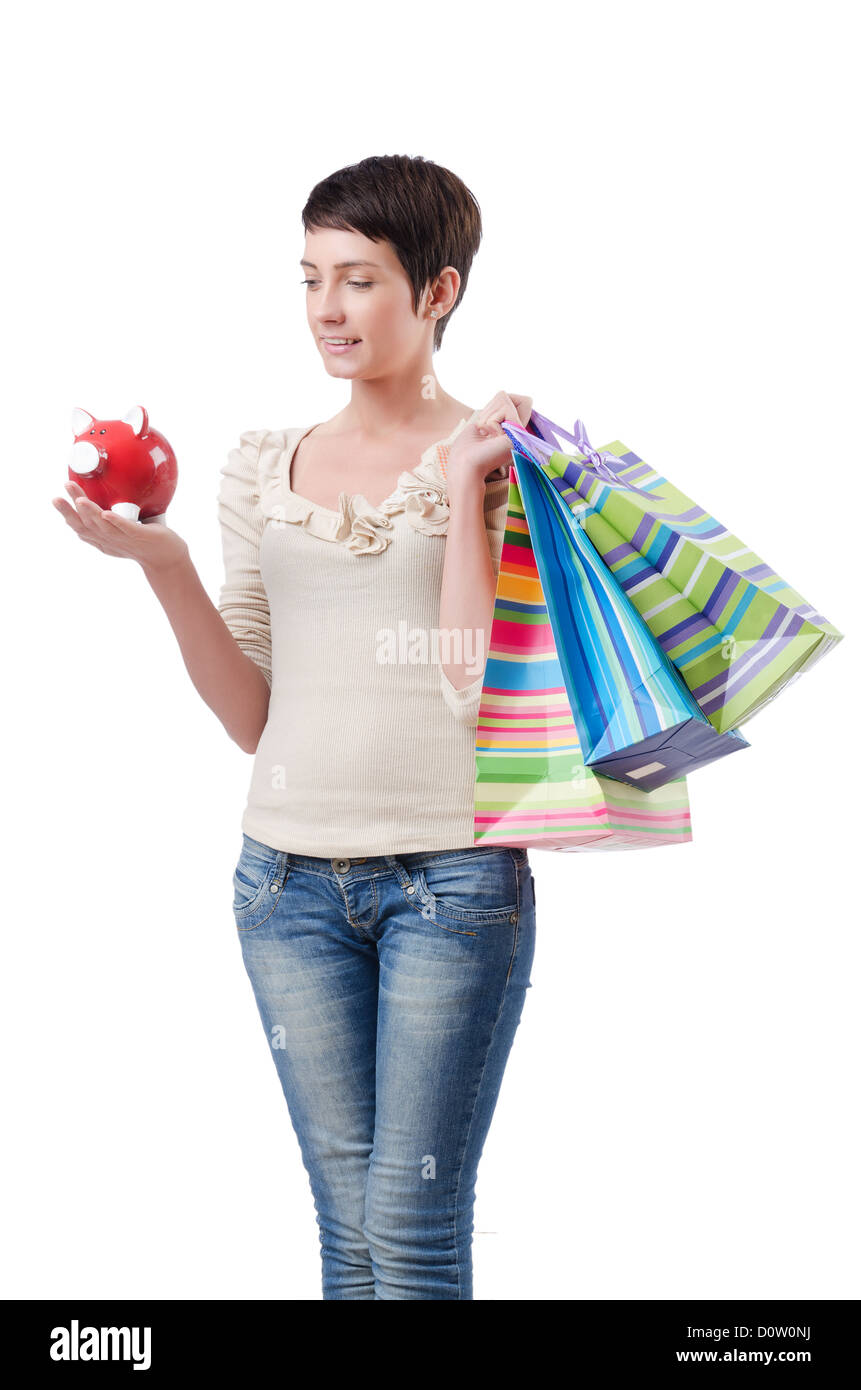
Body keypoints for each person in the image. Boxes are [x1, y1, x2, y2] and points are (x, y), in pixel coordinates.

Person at [52, 153, 537, 1301]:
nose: (327, 307)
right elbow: (250, 715)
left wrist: (467, 489)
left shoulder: (499, 454)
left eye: (360, 279)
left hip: (451, 883)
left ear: (438, 291)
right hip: (284, 885)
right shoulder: (261, 468)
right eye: (311, 276)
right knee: (349, 1239)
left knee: (411, 1230)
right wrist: (162, 568)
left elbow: (473, 680)